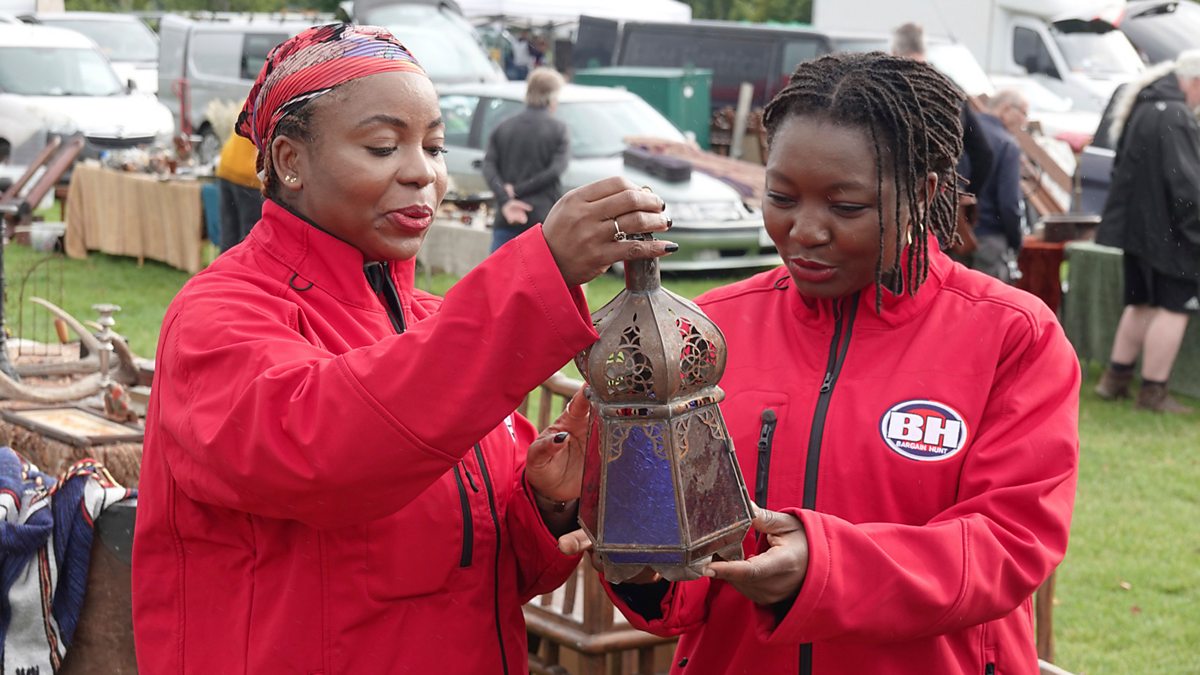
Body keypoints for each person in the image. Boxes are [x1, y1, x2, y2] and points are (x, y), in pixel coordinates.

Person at [131, 24, 675, 674]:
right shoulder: (218, 318)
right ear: (288, 161)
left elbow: (481, 572)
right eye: (384, 145)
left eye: (435, 146)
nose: (423, 172)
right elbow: (330, 449)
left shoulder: (434, 324)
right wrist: (538, 279)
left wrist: (544, 500)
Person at [562, 52, 1080, 673]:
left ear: (924, 193)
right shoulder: (701, 335)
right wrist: (643, 557)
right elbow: (677, 576)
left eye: (847, 207)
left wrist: (827, 566)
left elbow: (1010, 543)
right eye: (781, 196)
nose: (804, 231)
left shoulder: (1011, 336)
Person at [1093, 51, 1200, 414]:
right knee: (1174, 308)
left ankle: (1115, 379)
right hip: (1170, 234)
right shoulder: (1176, 114)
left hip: (1136, 230)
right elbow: (1188, 187)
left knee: (1140, 302)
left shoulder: (1142, 106)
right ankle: (1153, 391)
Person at [483, 66, 570, 252]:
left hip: (507, 217)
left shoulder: (504, 127)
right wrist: (518, 190)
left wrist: (506, 197)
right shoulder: (558, 130)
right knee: (540, 279)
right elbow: (555, 170)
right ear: (551, 97)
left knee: (500, 278)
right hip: (543, 220)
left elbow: (488, 166)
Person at [970, 89, 1028, 282]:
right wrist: (1016, 240)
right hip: (989, 239)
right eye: (1023, 113)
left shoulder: (963, 130)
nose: (1024, 122)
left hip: (953, 236)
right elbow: (1009, 203)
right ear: (1006, 109)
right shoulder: (1007, 144)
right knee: (987, 308)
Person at [214, 131, 264, 250]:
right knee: (249, 238)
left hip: (226, 166)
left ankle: (224, 267)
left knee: (228, 236)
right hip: (248, 175)